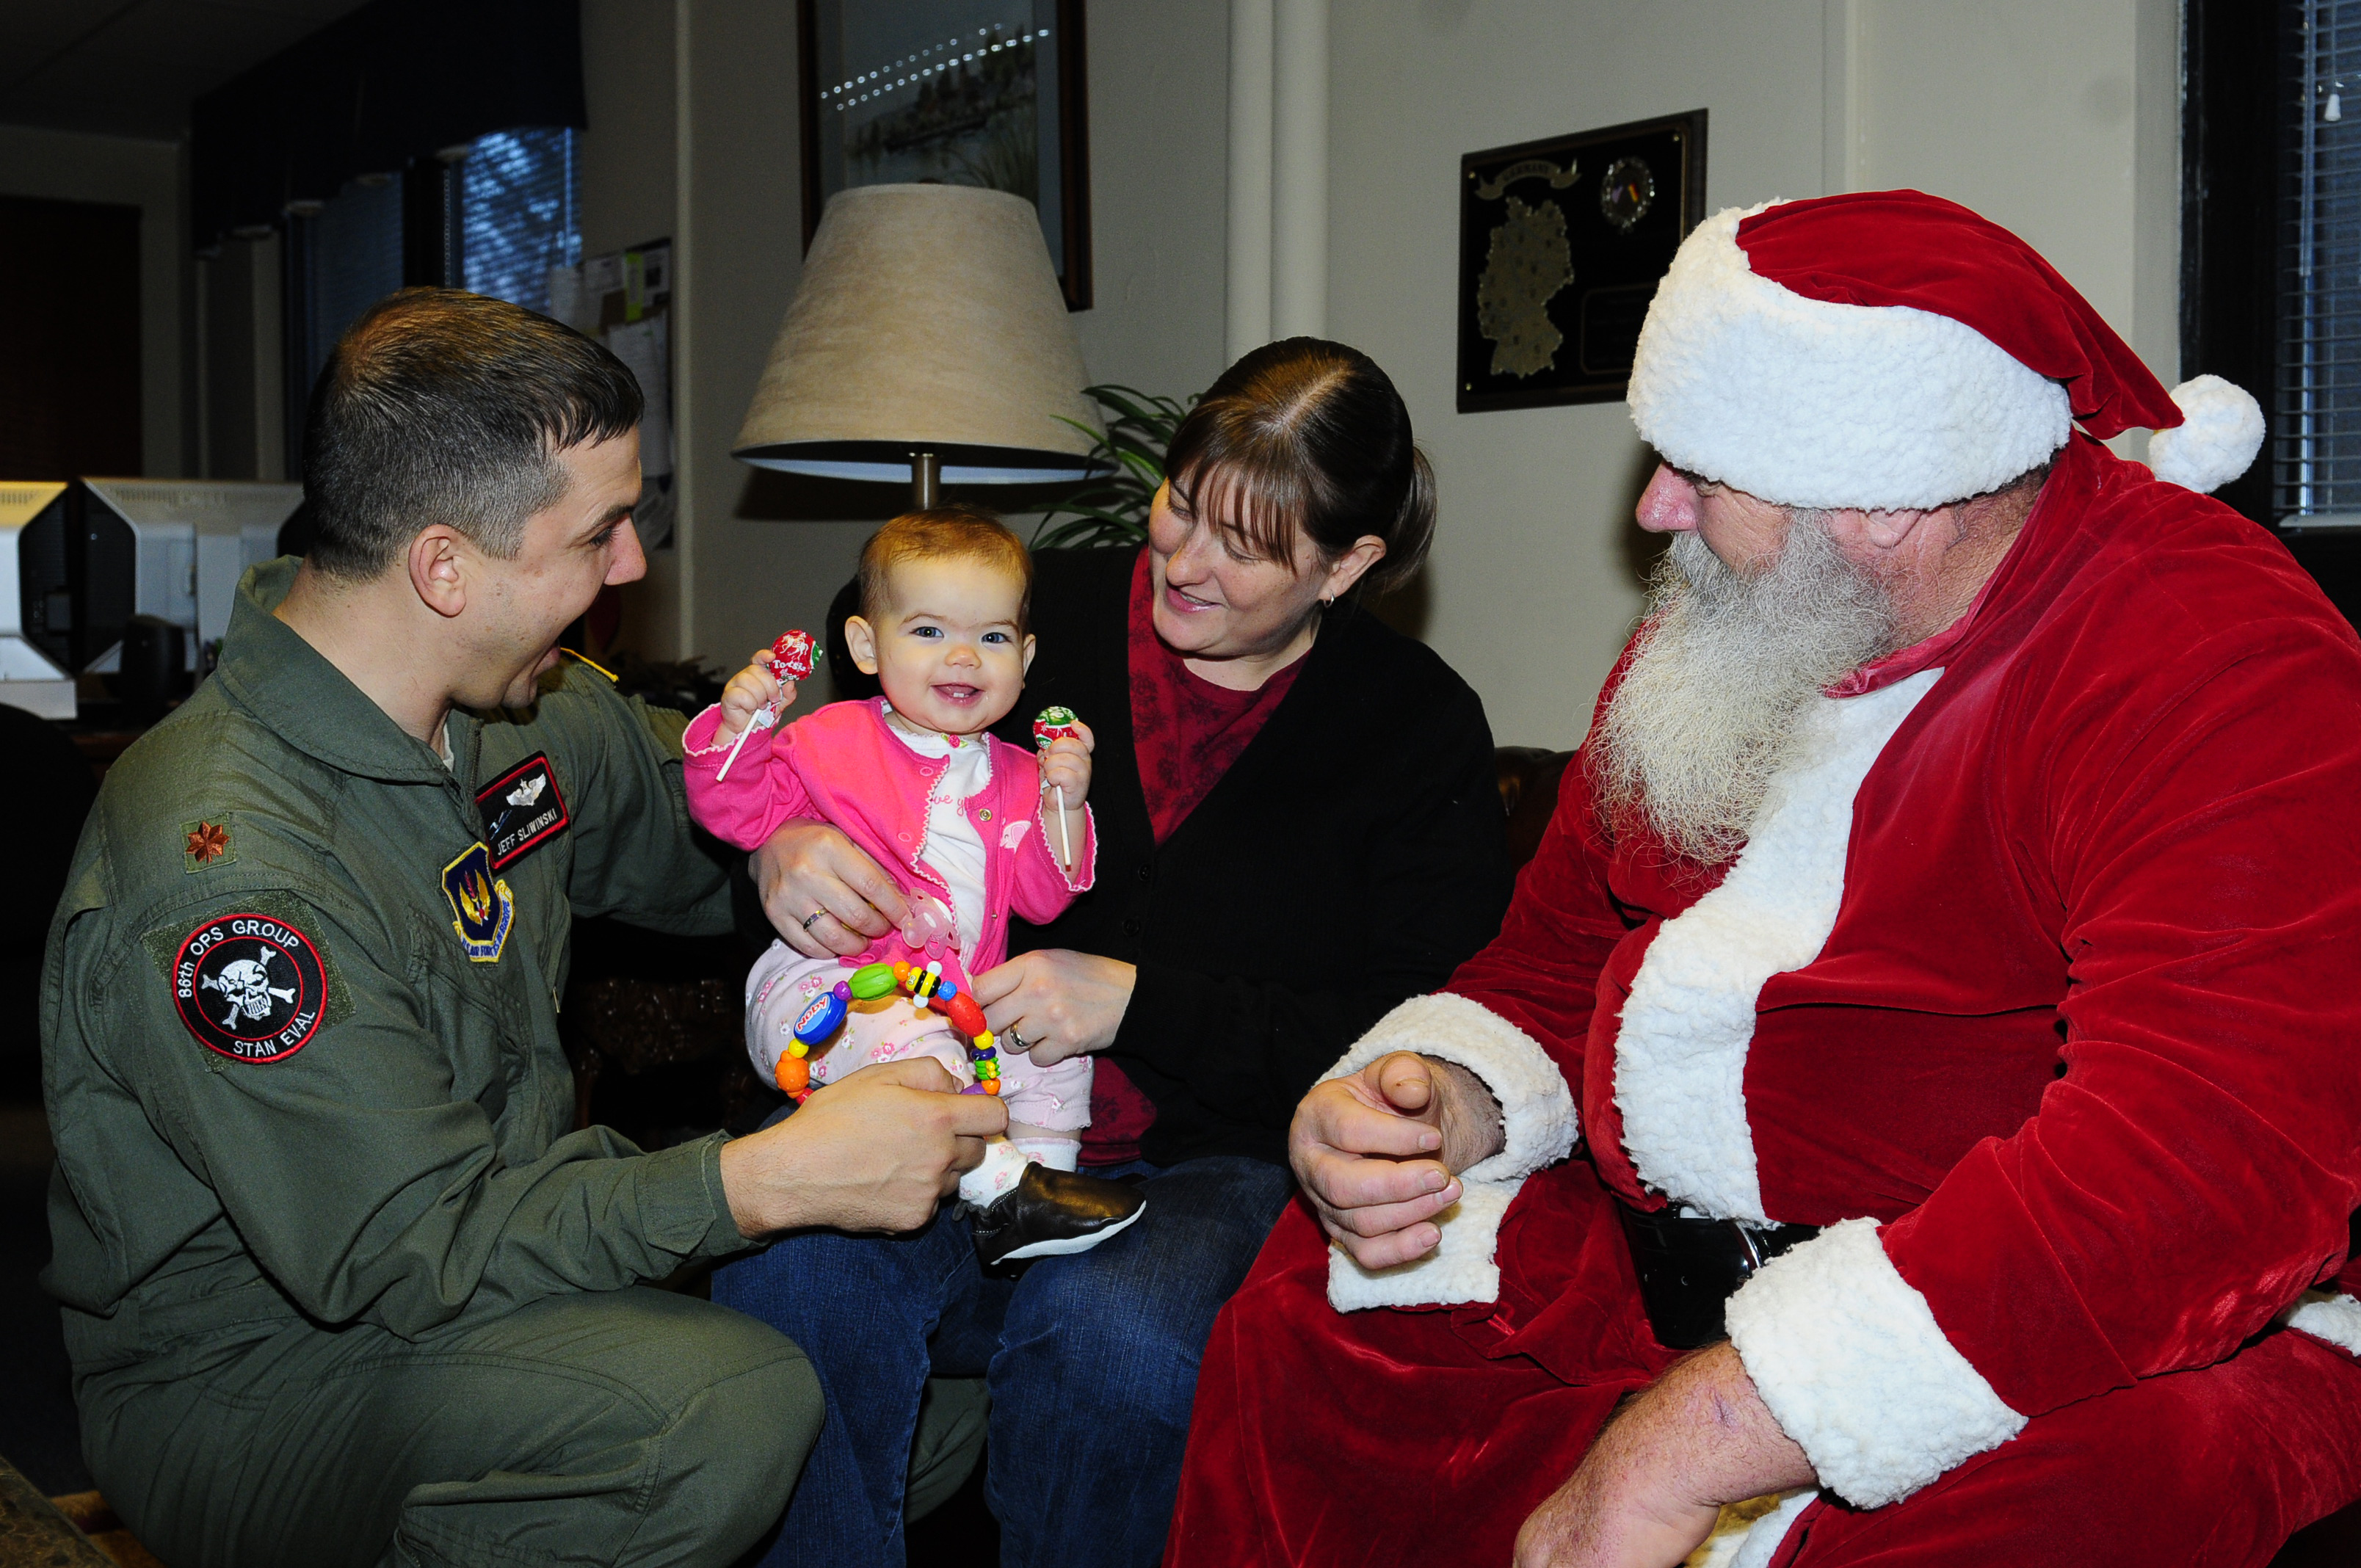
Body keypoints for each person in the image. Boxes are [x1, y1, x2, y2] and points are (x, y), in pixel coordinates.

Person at [1167, 190, 2361, 1568]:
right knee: (1316, 1314)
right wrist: (1441, 1095)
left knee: (2096, 1503)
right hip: (1670, 1278)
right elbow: (1555, 957)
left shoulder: (2215, 655)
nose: (1650, 508)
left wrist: (1699, 1439)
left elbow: (2198, 1171)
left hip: (2052, 1334)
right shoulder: (1735, 623)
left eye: (1698, 468)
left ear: (1880, 497)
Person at [38, 288, 1004, 1568]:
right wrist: (757, 1181)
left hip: (490, 1256)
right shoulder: (238, 883)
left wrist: (784, 830)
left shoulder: (507, 707)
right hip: (256, 1371)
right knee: (726, 1417)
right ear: (447, 567)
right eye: (600, 533)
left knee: (917, 1414)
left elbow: (682, 793)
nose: (632, 568)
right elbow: (410, 1248)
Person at [716, 337, 1517, 1567]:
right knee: (797, 1278)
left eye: (1245, 546)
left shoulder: (1413, 729)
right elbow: (820, 775)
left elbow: (1416, 1029)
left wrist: (1140, 1003)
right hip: (947, 1114)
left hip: (1206, 1163)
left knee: (1115, 1337)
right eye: (1181, 504)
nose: (1183, 563)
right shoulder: (1014, 614)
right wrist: (782, 849)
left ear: (1347, 565)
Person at [685, 507, 1146, 1263]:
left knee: (1053, 1048)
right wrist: (742, 727)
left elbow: (1042, 896)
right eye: (929, 632)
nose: (963, 657)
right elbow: (735, 811)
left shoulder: (1020, 774)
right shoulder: (830, 740)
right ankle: (1004, 1189)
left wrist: (1063, 804)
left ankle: (1039, 1199)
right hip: (827, 990)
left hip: (960, 995)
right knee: (923, 1045)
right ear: (867, 646)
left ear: (1024, 657)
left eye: (992, 637)